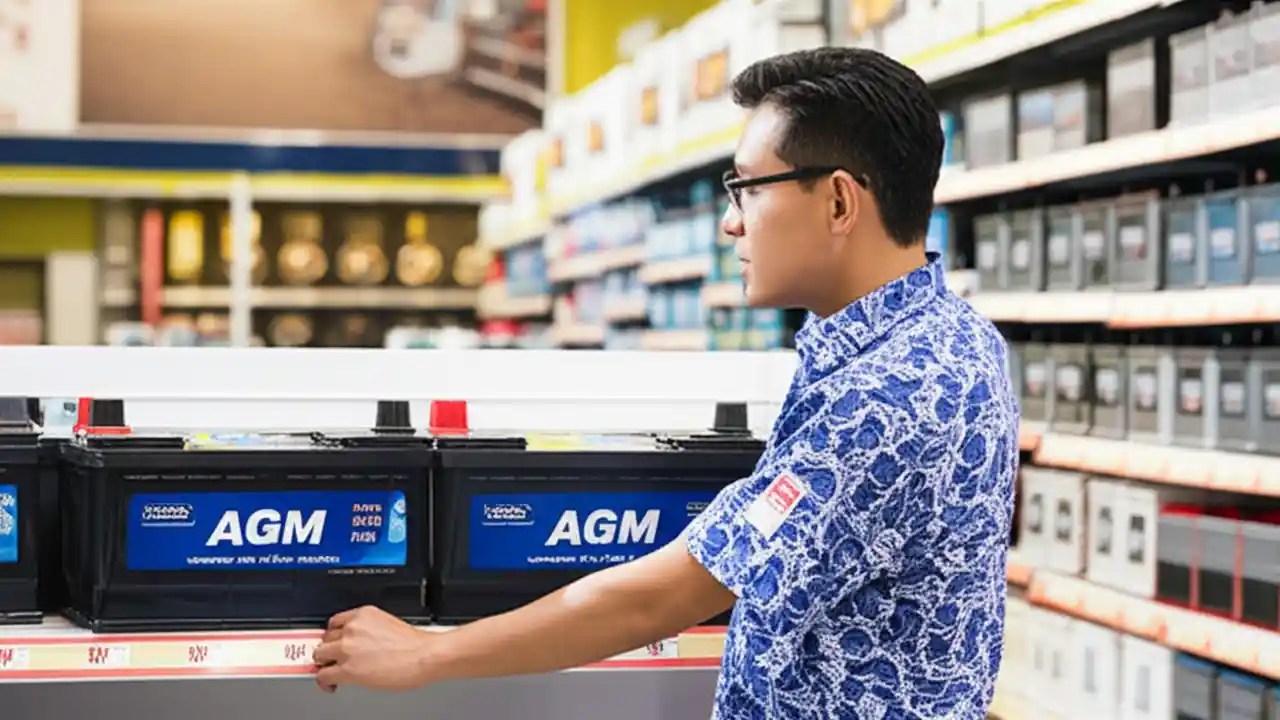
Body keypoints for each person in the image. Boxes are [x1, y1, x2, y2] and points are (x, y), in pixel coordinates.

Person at [313, 46, 1019, 719]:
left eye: (747, 187)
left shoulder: (891, 396)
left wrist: (429, 654)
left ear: (839, 202)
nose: (729, 221)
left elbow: (663, 599)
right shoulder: (954, 338)